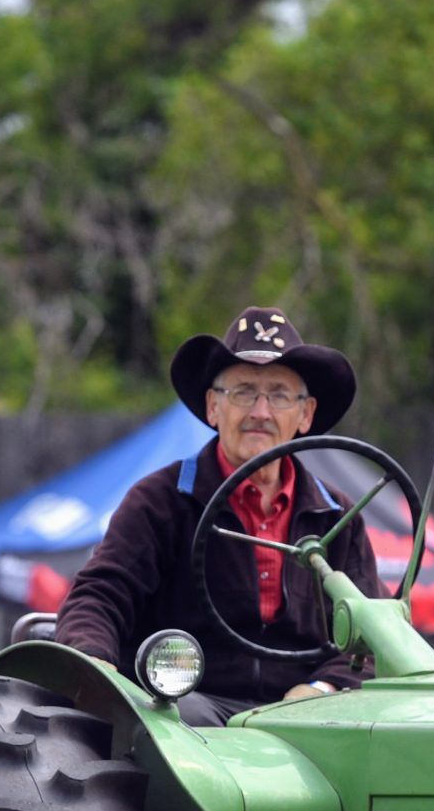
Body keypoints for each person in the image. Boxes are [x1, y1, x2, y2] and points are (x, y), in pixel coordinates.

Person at [54, 306, 381, 725]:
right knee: (179, 722)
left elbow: (369, 635)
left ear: (305, 415)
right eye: (244, 391)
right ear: (213, 407)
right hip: (191, 702)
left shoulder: (337, 516)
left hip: (305, 710)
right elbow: (99, 595)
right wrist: (94, 661)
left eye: (279, 395)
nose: (260, 412)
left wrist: (319, 689)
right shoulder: (160, 501)